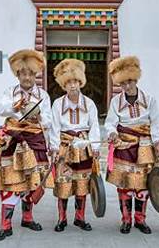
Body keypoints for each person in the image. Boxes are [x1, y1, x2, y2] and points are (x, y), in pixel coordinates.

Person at [0, 49, 54, 241]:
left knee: (31, 181)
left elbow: (50, 121)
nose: (27, 77)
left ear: (35, 75)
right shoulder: (9, 92)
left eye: (30, 73)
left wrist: (40, 117)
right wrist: (15, 106)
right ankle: (6, 225)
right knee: (11, 182)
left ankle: (27, 218)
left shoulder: (43, 94)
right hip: (13, 141)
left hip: (35, 141)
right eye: (23, 73)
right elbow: (0, 109)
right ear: (17, 74)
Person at [104, 56, 159, 234]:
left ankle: (140, 219)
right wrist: (112, 133)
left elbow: (156, 122)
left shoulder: (150, 99)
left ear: (136, 79)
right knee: (125, 184)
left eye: (130, 81)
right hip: (124, 145)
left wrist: (157, 141)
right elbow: (109, 123)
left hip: (145, 147)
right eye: (123, 83)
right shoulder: (116, 101)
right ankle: (125, 220)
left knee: (143, 184)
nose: (127, 86)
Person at [49, 59, 100, 232]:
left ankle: (80, 218)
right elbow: (54, 128)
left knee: (82, 183)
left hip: (84, 147)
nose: (73, 86)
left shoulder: (89, 104)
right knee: (63, 183)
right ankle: (62, 218)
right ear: (64, 85)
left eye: (76, 82)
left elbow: (94, 126)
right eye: (69, 82)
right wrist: (54, 148)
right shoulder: (57, 104)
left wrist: (95, 147)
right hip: (65, 146)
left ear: (81, 83)